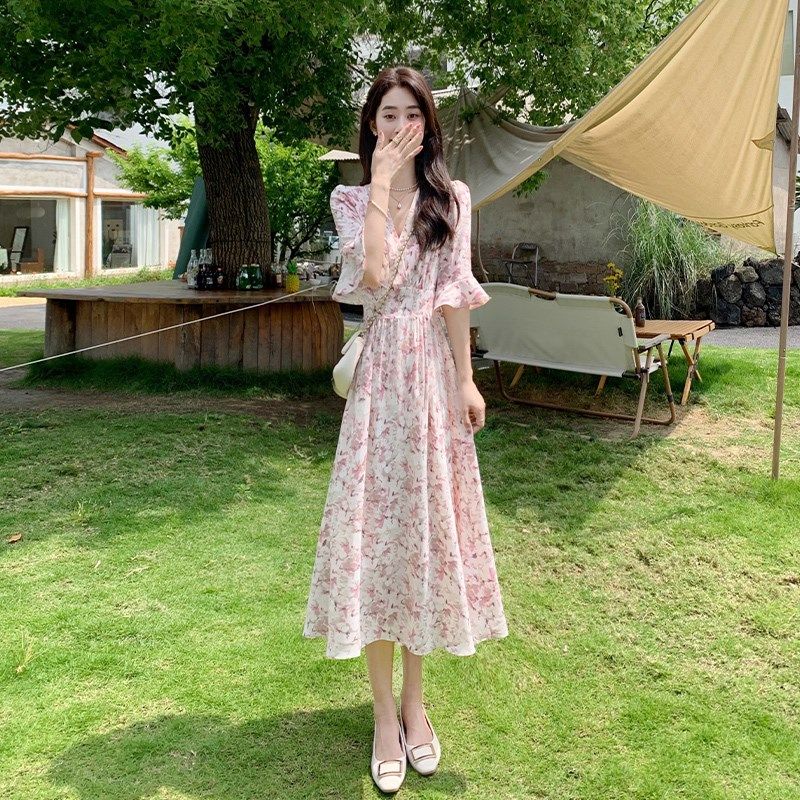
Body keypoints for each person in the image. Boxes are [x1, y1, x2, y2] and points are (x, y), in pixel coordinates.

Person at [303, 65, 508, 793]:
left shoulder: (453, 198)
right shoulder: (350, 198)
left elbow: (453, 295)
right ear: (371, 124)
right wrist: (384, 185)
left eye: (410, 114)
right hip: (381, 379)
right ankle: (384, 715)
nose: (398, 126)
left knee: (424, 537)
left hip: (431, 379)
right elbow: (373, 278)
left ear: (428, 123)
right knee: (377, 537)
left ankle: (417, 707)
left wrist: (465, 380)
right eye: (387, 115)